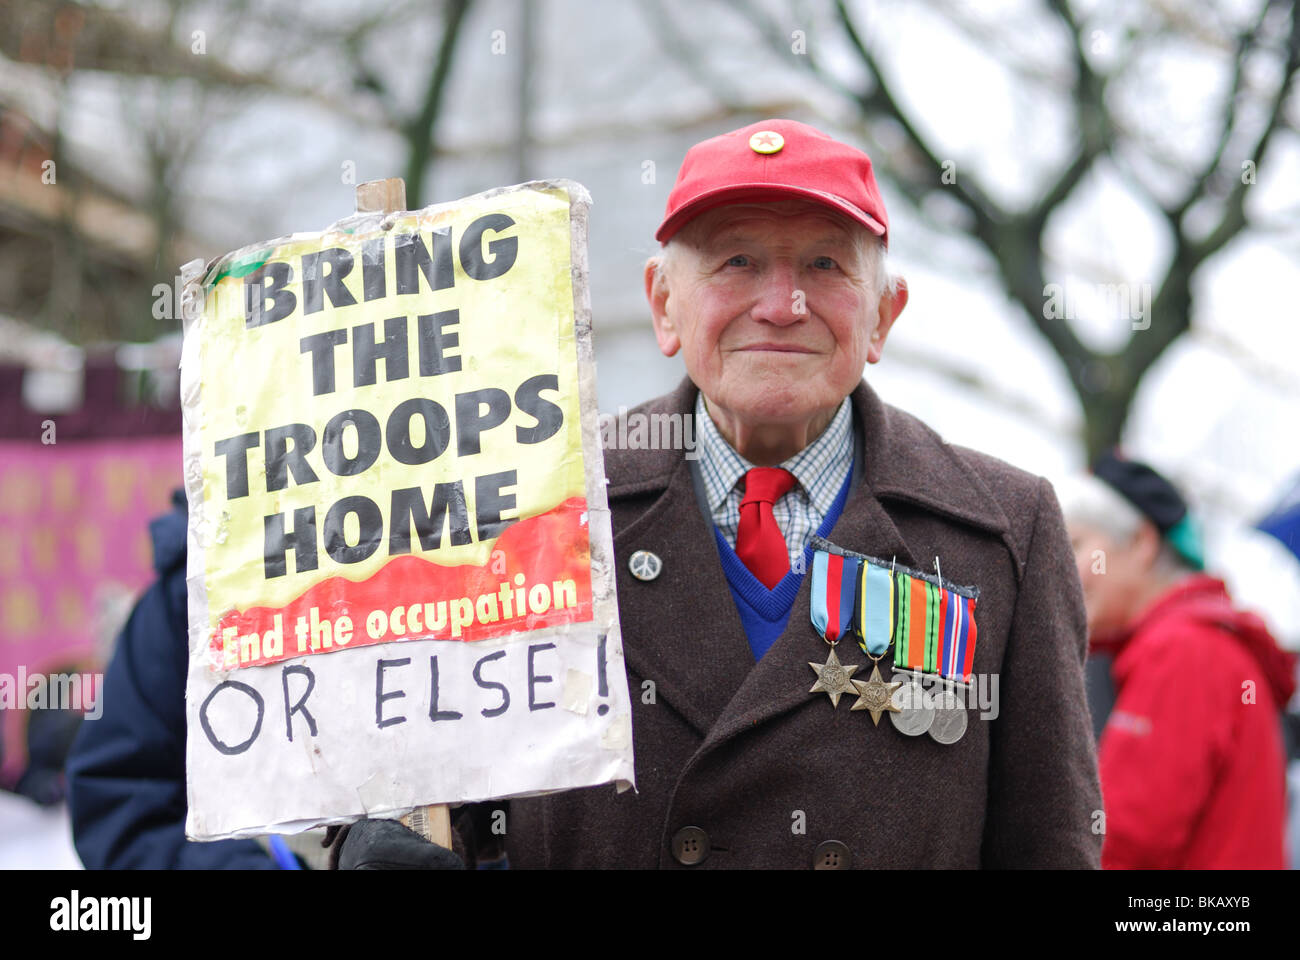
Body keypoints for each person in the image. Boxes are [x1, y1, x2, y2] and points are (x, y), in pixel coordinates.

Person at [338, 118, 1103, 868]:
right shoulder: (540, 502)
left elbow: (1053, 845)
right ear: (665, 304)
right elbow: (435, 802)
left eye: (826, 266)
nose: (782, 304)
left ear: (884, 316)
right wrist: (375, 846)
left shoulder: (1005, 530)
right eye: (737, 261)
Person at [1063, 451, 1296, 869]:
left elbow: (1120, 840)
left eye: (1076, 545)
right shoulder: (1207, 642)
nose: (1062, 569)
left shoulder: (1182, 649)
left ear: (1141, 543)